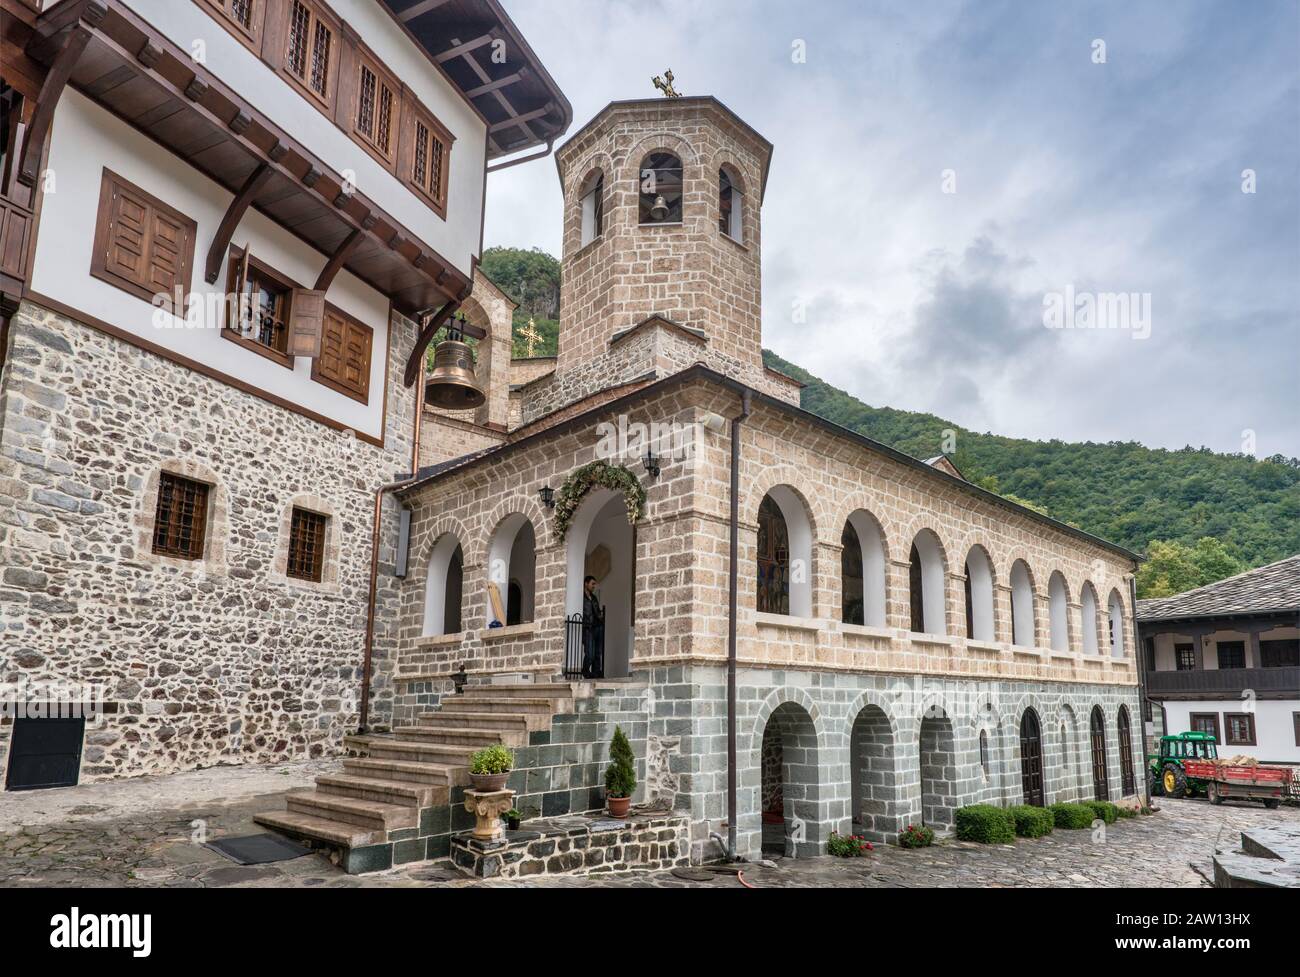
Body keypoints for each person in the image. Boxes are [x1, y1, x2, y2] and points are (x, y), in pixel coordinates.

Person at [581, 575, 604, 679]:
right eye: (592, 584)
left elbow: (597, 611)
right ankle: (585, 672)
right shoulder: (581, 597)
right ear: (586, 584)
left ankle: (595, 674)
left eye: (595, 584)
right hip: (588, 627)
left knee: (597, 654)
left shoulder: (594, 597)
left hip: (598, 627)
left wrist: (601, 616)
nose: (594, 586)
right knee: (589, 654)